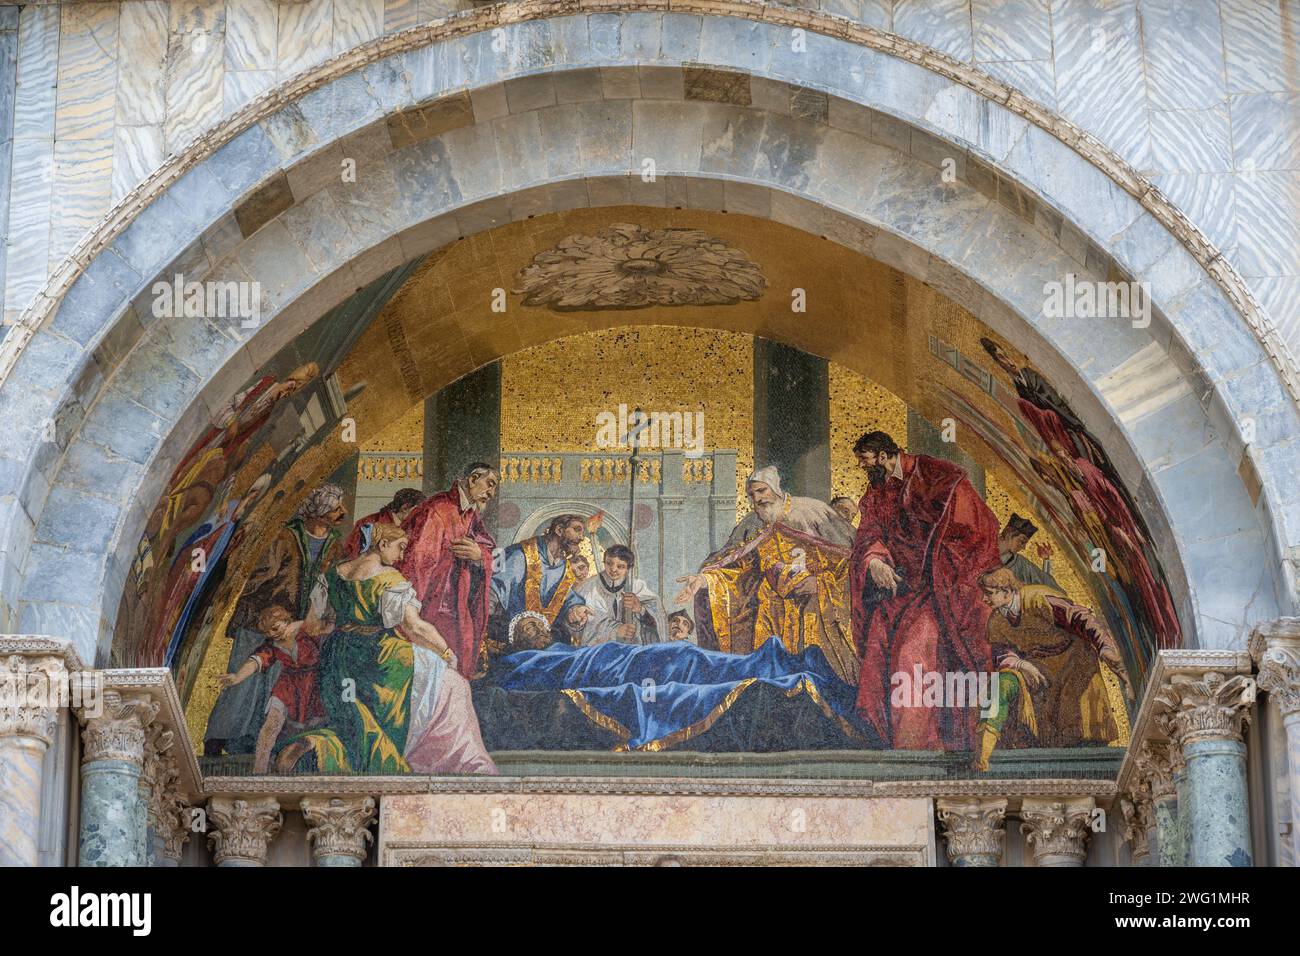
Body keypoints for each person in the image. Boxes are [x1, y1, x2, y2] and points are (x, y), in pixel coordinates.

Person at [287, 522, 497, 775]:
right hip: (381, 657)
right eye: (399, 548)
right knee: (454, 684)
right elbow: (415, 628)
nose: (400, 556)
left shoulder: (332, 575)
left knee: (356, 720)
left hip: (338, 658)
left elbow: (312, 626)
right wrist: (445, 652)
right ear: (382, 544)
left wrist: (341, 625)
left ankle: (319, 744)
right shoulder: (389, 579)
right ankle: (457, 762)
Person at [850, 431, 1001, 751]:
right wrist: (875, 559)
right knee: (878, 637)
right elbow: (869, 532)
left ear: (882, 455)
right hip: (905, 589)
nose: (864, 468)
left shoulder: (936, 475)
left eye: (866, 460)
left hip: (945, 588)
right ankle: (889, 741)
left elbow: (973, 527)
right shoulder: (877, 491)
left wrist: (939, 568)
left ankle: (918, 746)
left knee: (913, 649)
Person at [675, 466, 859, 685]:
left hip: (816, 612)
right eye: (752, 495)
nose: (757, 499)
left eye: (762, 491)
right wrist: (705, 580)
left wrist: (821, 583)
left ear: (776, 488)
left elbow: (850, 561)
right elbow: (737, 567)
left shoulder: (813, 512)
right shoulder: (753, 524)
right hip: (771, 616)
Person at [204, 482, 348, 756]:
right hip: (260, 621)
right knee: (243, 683)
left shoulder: (334, 546)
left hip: (294, 629)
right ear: (318, 511)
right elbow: (259, 578)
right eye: (335, 507)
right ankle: (217, 739)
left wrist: (307, 623)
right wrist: (266, 619)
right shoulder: (284, 537)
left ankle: (248, 742)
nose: (342, 511)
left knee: (273, 687)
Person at [973, 567, 1134, 771]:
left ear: (1006, 590)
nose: (985, 599)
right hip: (1038, 667)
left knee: (1077, 719)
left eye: (989, 593)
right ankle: (982, 758)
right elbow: (1001, 653)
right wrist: (1022, 664)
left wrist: (1104, 645)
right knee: (1002, 684)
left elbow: (1078, 618)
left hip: (1072, 661)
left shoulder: (1038, 598)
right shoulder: (996, 622)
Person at [396, 463, 498, 679]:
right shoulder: (437, 510)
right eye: (489, 484)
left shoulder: (470, 513)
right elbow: (417, 566)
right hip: (431, 610)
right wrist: (412, 618)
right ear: (472, 479)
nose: (492, 493)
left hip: (455, 607)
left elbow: (488, 547)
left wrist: (480, 555)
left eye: (494, 487)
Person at [217, 605, 326, 774]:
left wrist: (300, 624)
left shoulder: (306, 631)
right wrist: (237, 677)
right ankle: (259, 770)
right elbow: (256, 661)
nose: (273, 634)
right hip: (287, 685)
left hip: (314, 684)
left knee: (316, 726)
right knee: (270, 725)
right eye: (268, 632)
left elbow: (329, 628)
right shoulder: (272, 645)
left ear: (286, 620)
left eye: (275, 628)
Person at [491, 514, 589, 642]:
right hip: (514, 636)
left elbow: (565, 596)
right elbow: (493, 591)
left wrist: (574, 609)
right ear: (559, 530)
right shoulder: (521, 555)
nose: (581, 538)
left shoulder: (562, 565)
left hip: (543, 636)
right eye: (577, 530)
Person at [572, 545, 665, 645]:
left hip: (631, 647)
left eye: (620, 566)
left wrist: (641, 609)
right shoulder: (588, 587)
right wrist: (616, 630)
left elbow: (658, 616)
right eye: (609, 564)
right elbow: (583, 625)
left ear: (628, 568)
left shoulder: (637, 586)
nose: (613, 569)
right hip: (598, 650)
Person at [344, 487, 425, 559]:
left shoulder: (413, 527)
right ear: (405, 507)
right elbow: (351, 554)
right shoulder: (368, 522)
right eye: (418, 512)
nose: (421, 516)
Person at [998, 514, 1061, 591]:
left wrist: (1046, 560)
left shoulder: (1020, 563)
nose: (1024, 547)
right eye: (1022, 541)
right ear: (1009, 533)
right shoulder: (985, 545)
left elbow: (1045, 583)